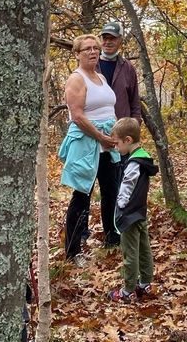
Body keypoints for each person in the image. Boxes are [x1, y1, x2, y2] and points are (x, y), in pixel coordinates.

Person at [59, 34, 121, 262]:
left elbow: (108, 110)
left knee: (111, 191)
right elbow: (77, 116)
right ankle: (73, 251)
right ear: (77, 53)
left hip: (107, 145)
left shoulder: (100, 77)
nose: (93, 52)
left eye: (95, 48)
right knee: (82, 196)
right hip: (86, 144)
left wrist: (113, 137)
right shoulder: (77, 79)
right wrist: (100, 137)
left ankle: (112, 238)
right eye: (87, 49)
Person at [107, 117, 158, 302]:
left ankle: (128, 291)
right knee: (144, 249)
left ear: (128, 140)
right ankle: (145, 282)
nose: (116, 147)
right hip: (140, 212)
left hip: (129, 214)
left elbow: (128, 184)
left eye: (118, 143)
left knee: (130, 252)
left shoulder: (134, 163)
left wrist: (121, 204)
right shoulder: (143, 157)